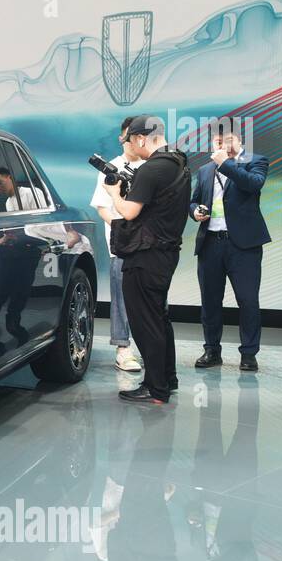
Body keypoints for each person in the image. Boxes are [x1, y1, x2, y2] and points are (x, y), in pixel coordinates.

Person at [104, 115, 191, 404]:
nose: (130, 146)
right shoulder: (178, 163)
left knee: (146, 322)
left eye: (130, 140)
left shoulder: (152, 169)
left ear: (141, 139)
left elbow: (128, 212)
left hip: (146, 256)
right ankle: (167, 378)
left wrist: (114, 193)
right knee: (159, 318)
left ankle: (156, 388)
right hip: (166, 252)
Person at [189, 127, 270, 371]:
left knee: (247, 301)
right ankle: (211, 350)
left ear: (240, 140)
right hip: (210, 242)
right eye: (217, 141)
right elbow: (193, 200)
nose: (222, 145)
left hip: (243, 245)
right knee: (210, 301)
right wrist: (194, 211)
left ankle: (248, 353)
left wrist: (226, 164)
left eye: (228, 140)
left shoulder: (255, 161)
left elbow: (253, 185)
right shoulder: (205, 170)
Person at [89, 117, 145, 373]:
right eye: (131, 134)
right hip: (122, 244)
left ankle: (151, 348)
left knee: (154, 300)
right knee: (121, 298)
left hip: (151, 245)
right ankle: (123, 348)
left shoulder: (154, 166)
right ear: (123, 137)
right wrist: (125, 229)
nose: (136, 139)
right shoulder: (110, 167)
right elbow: (102, 207)